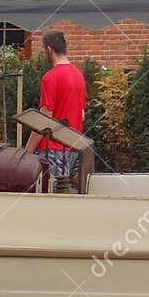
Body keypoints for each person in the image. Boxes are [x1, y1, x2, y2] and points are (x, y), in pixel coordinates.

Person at [33, 31, 87, 193]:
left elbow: (43, 121)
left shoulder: (50, 78)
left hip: (52, 147)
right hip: (72, 146)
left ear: (49, 49)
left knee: (48, 194)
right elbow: (81, 115)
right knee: (65, 196)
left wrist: (26, 152)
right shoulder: (79, 76)